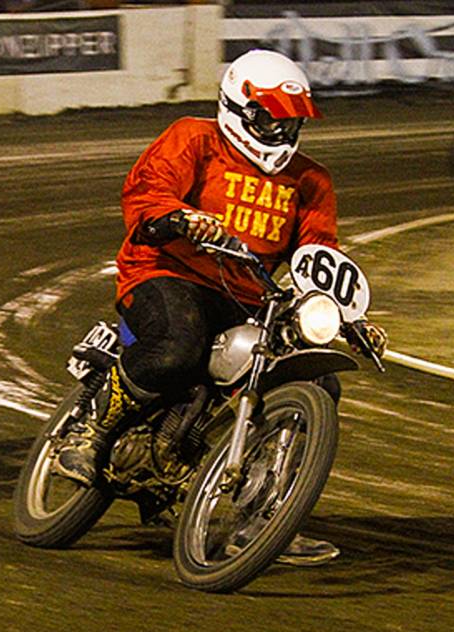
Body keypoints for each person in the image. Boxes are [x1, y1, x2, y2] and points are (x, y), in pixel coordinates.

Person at [51, 49, 387, 564]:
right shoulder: (193, 137)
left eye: (291, 120)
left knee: (317, 382)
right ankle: (91, 429)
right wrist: (180, 219)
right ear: (238, 107)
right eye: (271, 117)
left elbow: (320, 256)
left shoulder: (311, 180)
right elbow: (146, 194)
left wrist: (349, 316)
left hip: (247, 299)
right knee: (177, 345)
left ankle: (265, 514)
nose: (280, 129)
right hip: (164, 272)